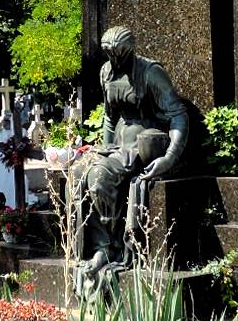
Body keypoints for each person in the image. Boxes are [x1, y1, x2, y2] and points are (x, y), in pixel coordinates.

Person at [72, 26, 189, 294]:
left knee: (100, 177)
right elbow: (110, 117)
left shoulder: (150, 72)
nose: (114, 60)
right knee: (79, 173)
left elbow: (178, 115)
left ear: (129, 49)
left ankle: (111, 249)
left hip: (143, 144)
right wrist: (104, 148)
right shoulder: (105, 73)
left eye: (118, 54)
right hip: (117, 144)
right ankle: (98, 246)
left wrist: (170, 157)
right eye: (109, 54)